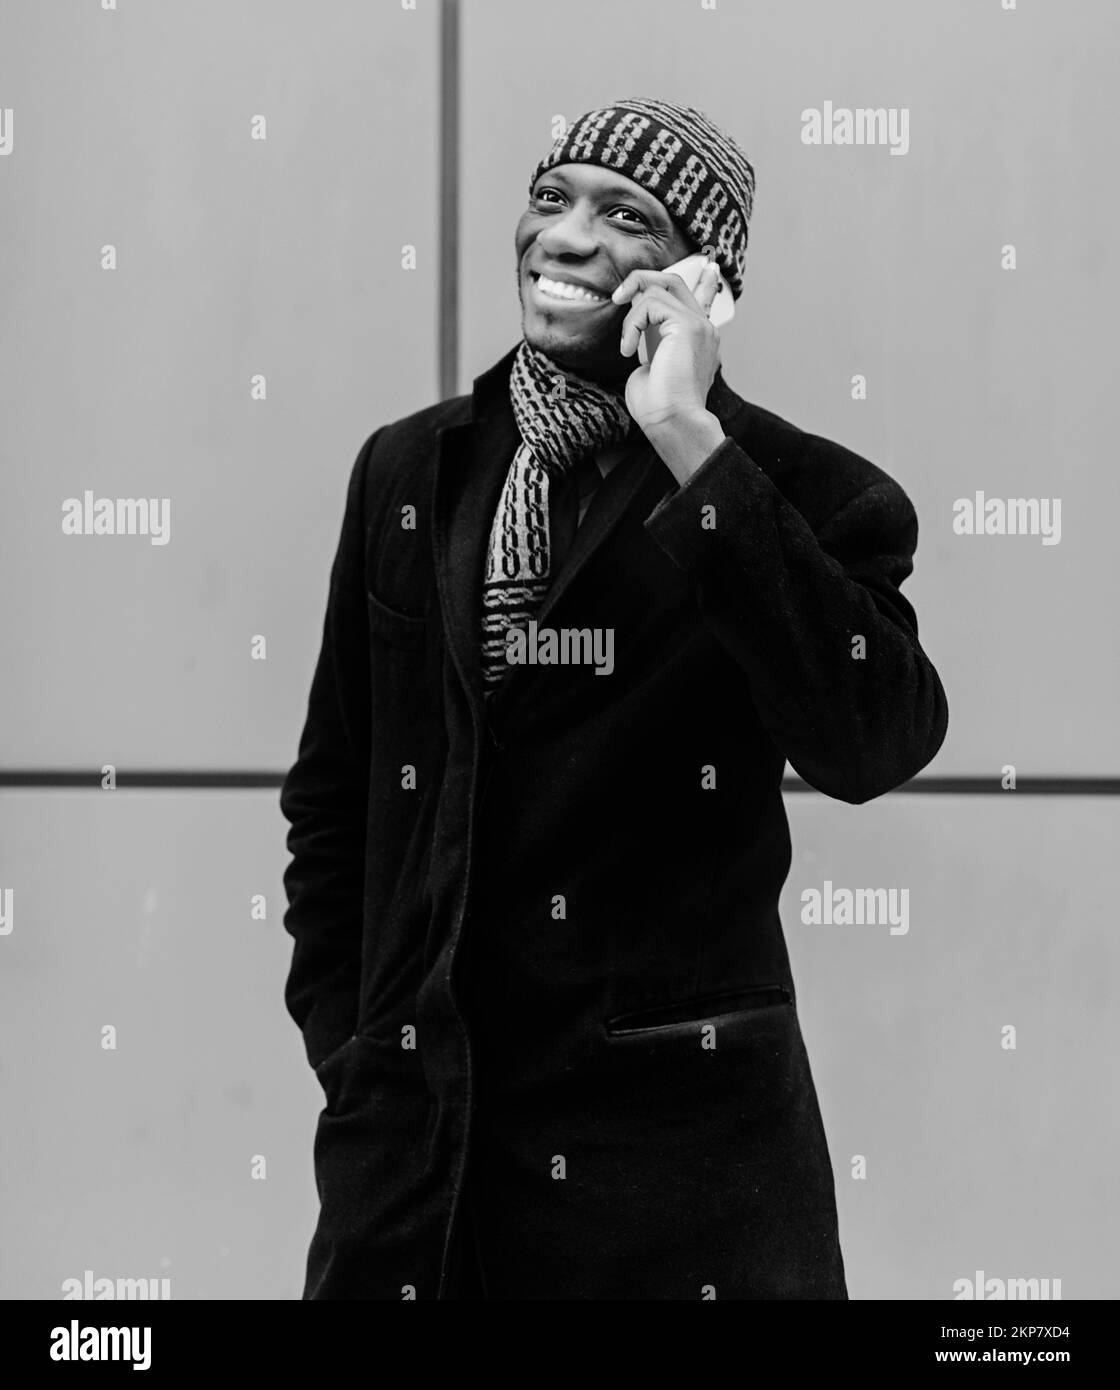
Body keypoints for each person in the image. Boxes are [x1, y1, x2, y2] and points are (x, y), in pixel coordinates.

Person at [280, 97, 949, 1300]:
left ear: (705, 281)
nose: (568, 238)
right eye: (551, 199)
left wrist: (689, 439)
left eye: (624, 214)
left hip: (674, 1200)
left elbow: (875, 737)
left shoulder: (801, 494)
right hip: (414, 1184)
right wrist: (356, 1043)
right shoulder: (408, 468)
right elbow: (334, 797)